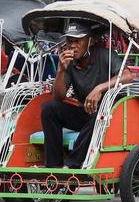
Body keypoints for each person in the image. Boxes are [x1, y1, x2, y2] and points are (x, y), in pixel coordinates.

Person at [41, 21, 128, 169]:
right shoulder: (69, 63)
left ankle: (72, 165)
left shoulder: (105, 55)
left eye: (77, 41)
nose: (72, 45)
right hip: (85, 112)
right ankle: (53, 166)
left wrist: (100, 88)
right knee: (49, 108)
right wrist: (61, 71)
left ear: (91, 41)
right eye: (69, 41)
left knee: (98, 115)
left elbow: (127, 76)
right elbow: (58, 97)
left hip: (107, 116)